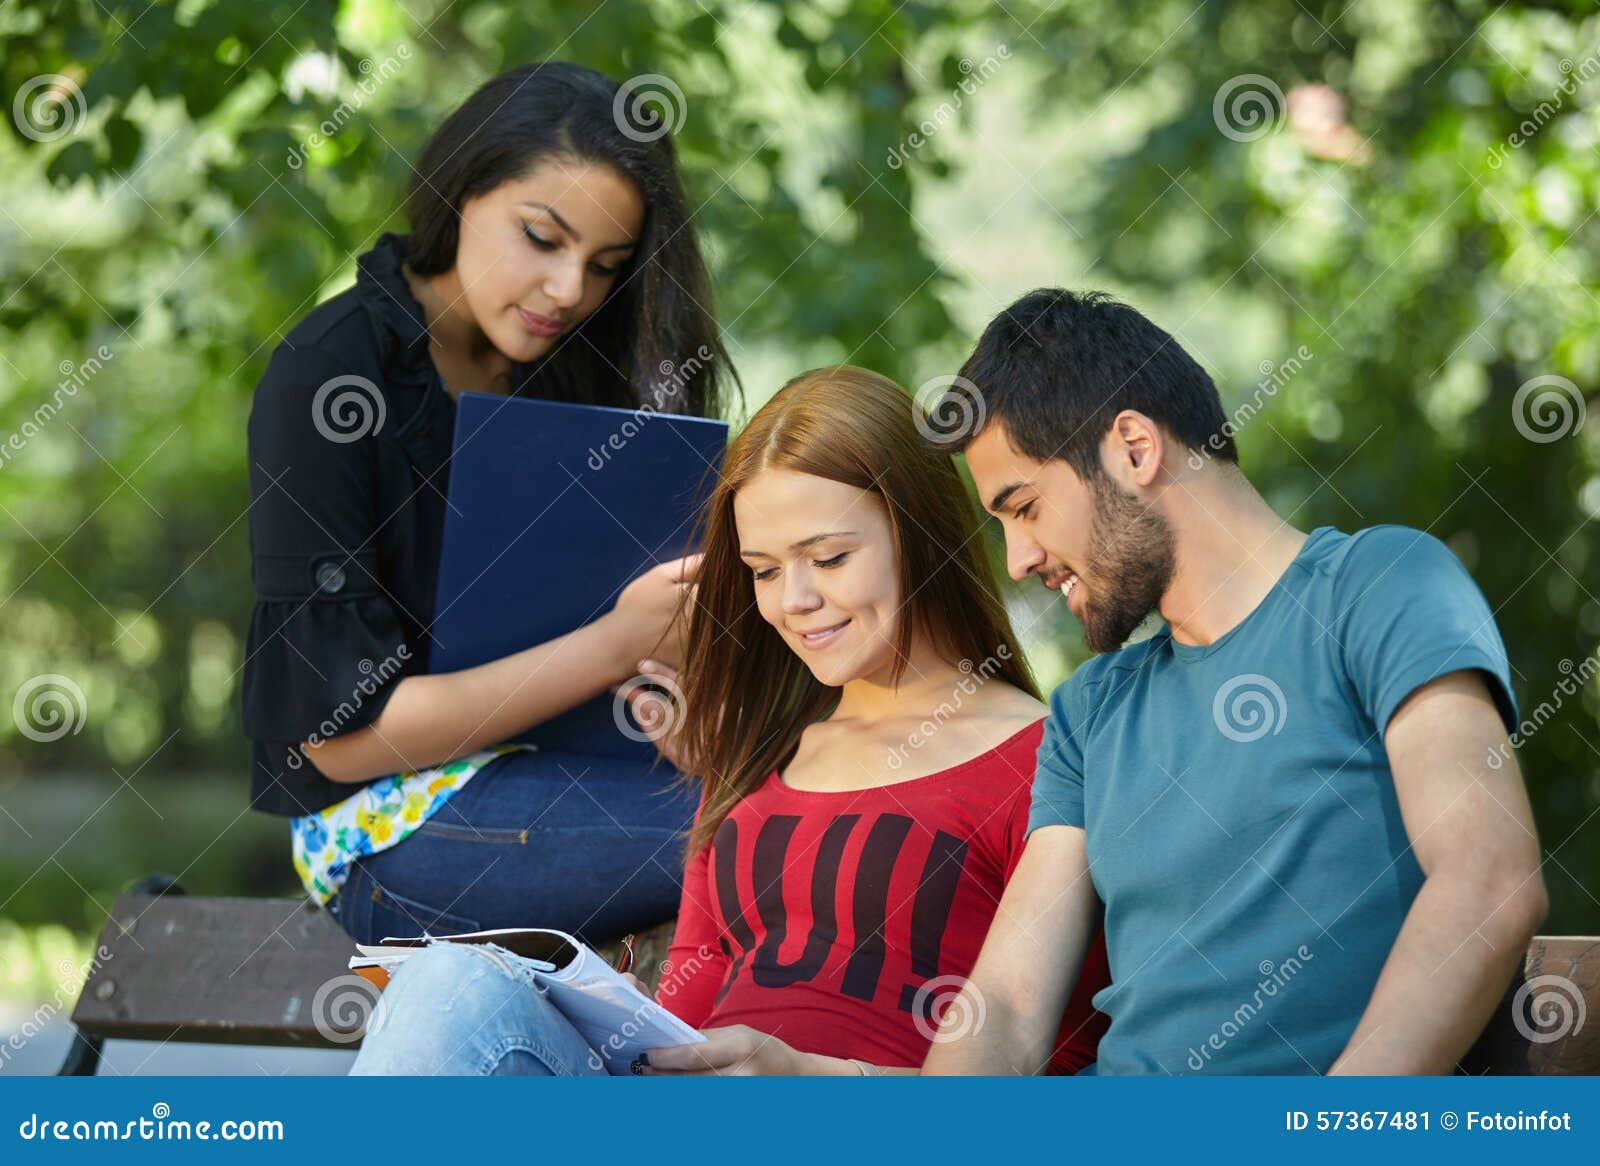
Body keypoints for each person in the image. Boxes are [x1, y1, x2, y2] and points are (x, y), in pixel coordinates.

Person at [349, 366, 1110, 1075]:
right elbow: (680, 1017)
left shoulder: (1054, 758)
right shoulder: (758, 758)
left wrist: (805, 1080)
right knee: (451, 979)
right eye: (765, 570)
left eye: (830, 557)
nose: (794, 601)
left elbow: (1057, 1054)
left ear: (922, 536)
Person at [918, 288, 1546, 1076]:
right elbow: (1006, 1004)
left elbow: (1488, 879)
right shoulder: (1090, 711)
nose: (1018, 559)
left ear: (1135, 450)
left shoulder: (1380, 587)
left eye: (1026, 508)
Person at [242, 62, 735, 945]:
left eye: (605, 266)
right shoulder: (330, 375)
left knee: (826, 792)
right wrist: (614, 643)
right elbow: (337, 742)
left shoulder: (585, 370)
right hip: (385, 830)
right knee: (771, 835)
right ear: (464, 191)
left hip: (594, 772)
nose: (569, 292)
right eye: (542, 238)